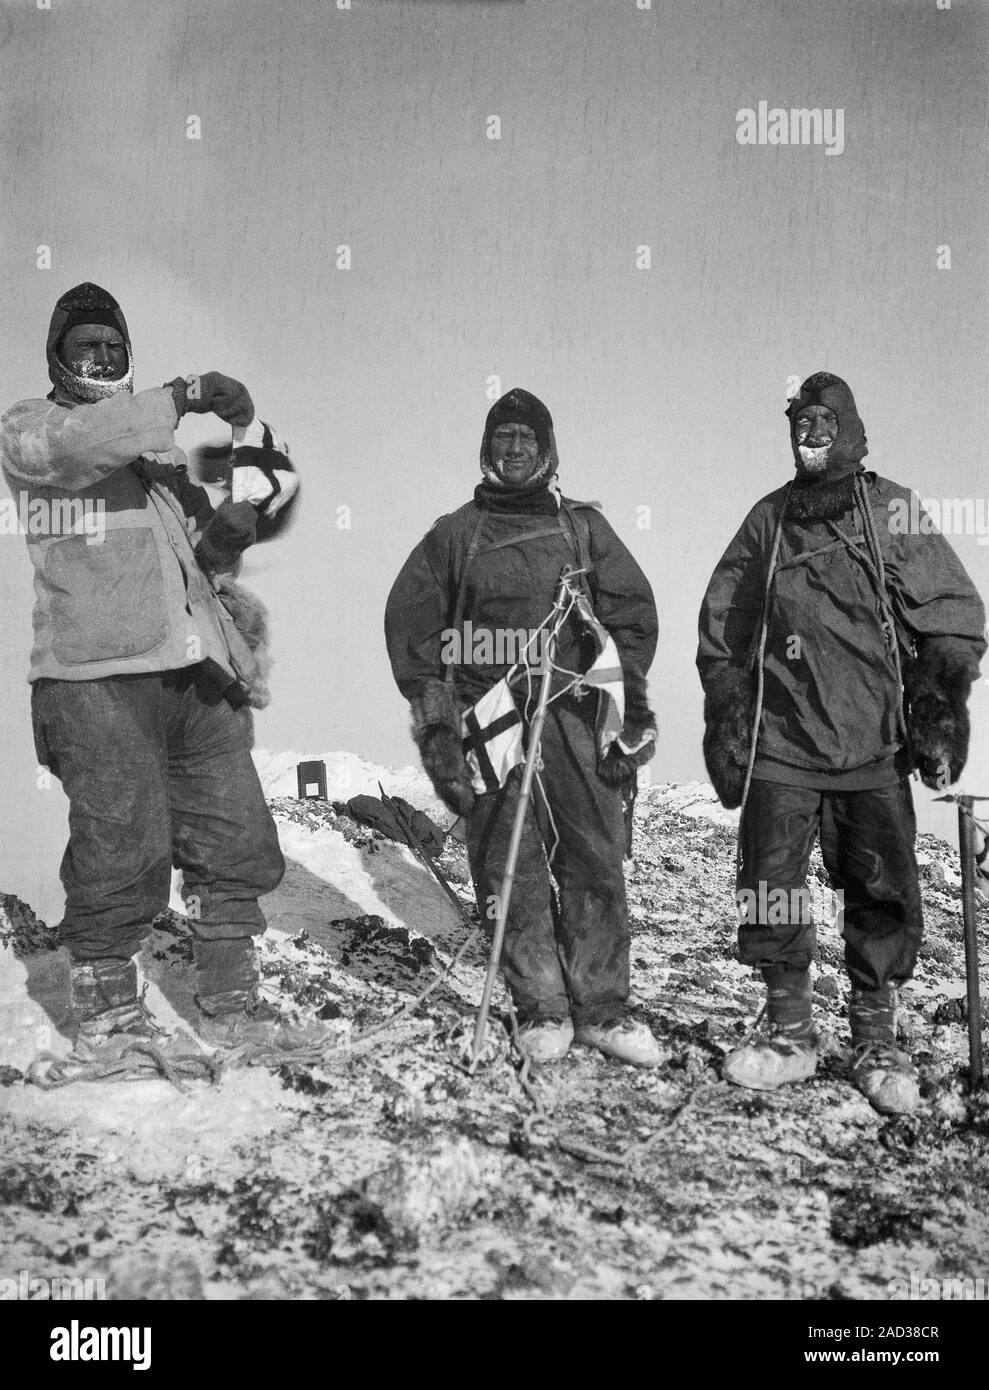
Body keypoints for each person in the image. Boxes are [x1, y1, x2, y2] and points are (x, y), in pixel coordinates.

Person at [0, 281, 321, 1076]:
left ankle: (233, 1002)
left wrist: (238, 518)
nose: (102, 357)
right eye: (86, 346)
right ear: (57, 356)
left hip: (192, 669)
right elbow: (74, 453)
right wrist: (179, 395)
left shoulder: (156, 454)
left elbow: (203, 557)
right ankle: (108, 1016)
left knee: (235, 830)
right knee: (120, 841)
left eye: (113, 346)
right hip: (95, 675)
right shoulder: (30, 428)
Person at [697, 371, 986, 1114]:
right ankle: (789, 1029)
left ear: (849, 428)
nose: (812, 430)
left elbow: (952, 616)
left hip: (873, 742)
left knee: (882, 891)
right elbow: (723, 626)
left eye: (826, 419)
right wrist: (728, 712)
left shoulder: (892, 510)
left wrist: (937, 702)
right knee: (770, 882)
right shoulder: (767, 520)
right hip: (782, 744)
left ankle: (874, 1037)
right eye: (802, 419)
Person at [385, 387, 663, 1066]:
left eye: (525, 440)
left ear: (547, 451)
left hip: (571, 712)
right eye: (501, 439)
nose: (513, 451)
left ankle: (602, 1007)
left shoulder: (583, 529)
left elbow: (632, 613)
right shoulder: (455, 534)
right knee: (511, 867)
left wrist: (622, 688)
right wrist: (437, 722)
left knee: (593, 857)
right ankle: (540, 1006)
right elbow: (412, 625)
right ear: (486, 450)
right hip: (489, 720)